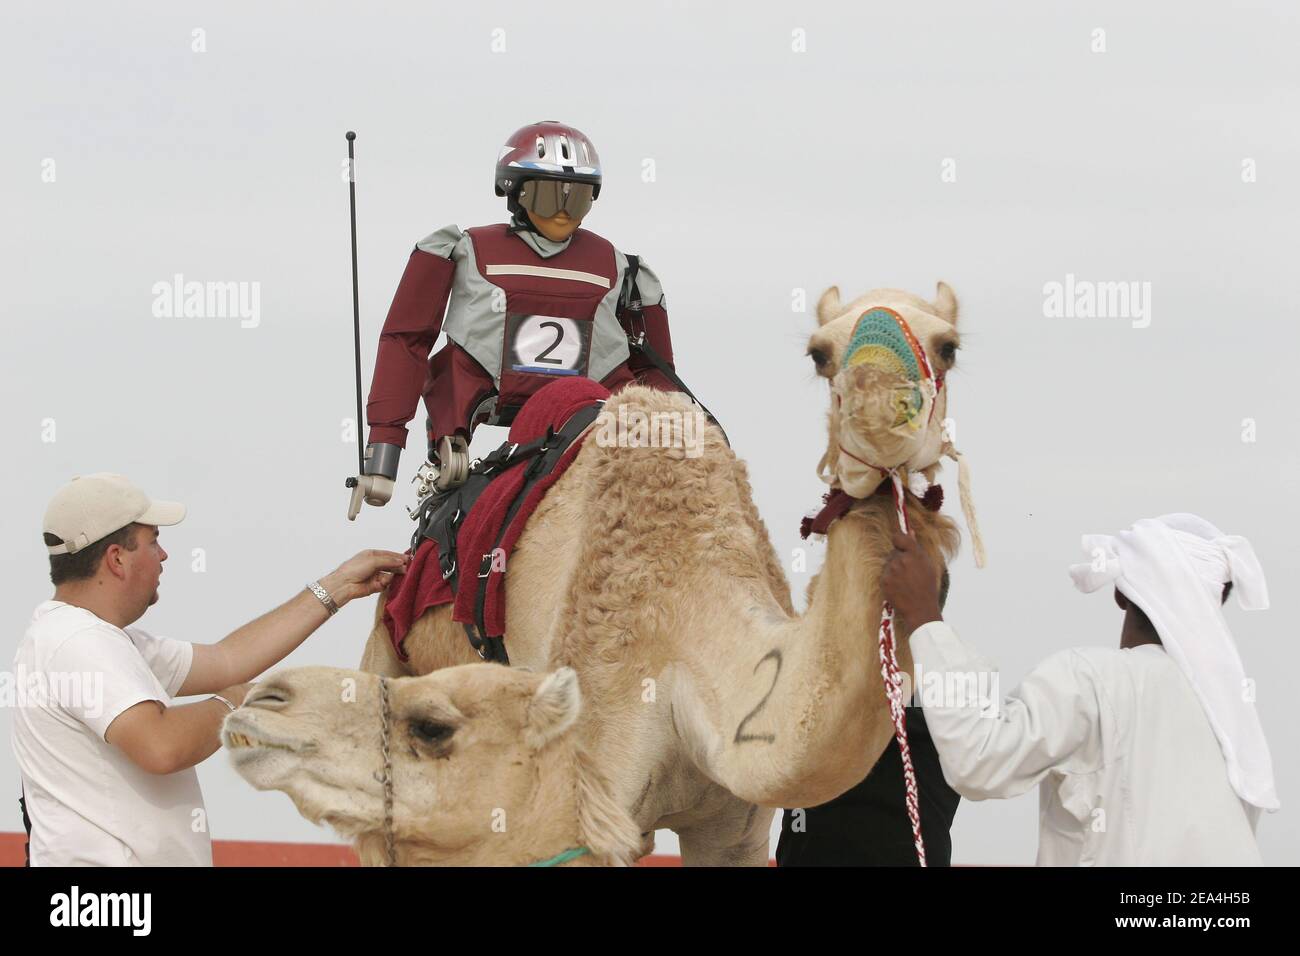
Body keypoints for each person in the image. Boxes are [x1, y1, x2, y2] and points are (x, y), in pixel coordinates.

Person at [12, 472, 408, 866]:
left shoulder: (93, 639)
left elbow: (226, 659)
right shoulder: (79, 641)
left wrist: (337, 586)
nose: (163, 555)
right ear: (117, 558)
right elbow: (161, 746)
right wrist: (234, 702)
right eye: (154, 542)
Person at [880, 512, 1276, 865]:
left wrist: (924, 617)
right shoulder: (1231, 716)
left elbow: (980, 761)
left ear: (1121, 592)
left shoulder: (1093, 679)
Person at [351, 119, 703, 509]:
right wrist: (383, 453)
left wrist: (685, 457)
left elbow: (656, 375)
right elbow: (407, 339)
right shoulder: (461, 250)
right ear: (514, 192)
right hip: (468, 415)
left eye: (578, 198)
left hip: (598, 416)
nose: (563, 212)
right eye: (549, 196)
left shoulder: (625, 270)